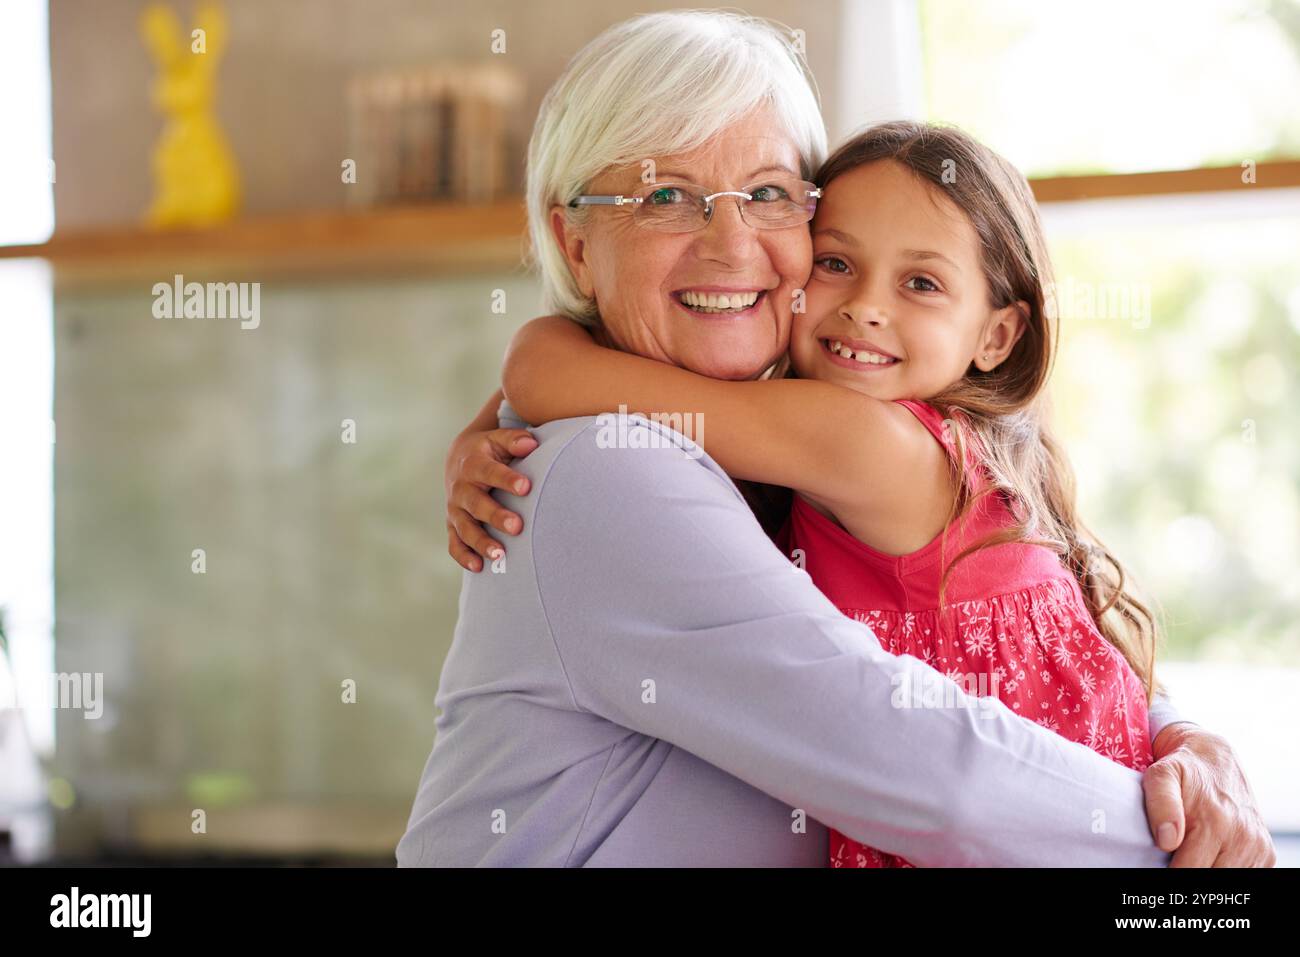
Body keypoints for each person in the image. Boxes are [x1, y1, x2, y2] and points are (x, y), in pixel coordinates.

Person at [405, 10, 1274, 867]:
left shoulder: (787, 431)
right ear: (576, 246)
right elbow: (932, 771)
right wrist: (1184, 861)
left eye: (770, 193)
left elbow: (1054, 642)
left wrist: (1181, 739)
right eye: (664, 196)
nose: (732, 240)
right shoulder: (610, 473)